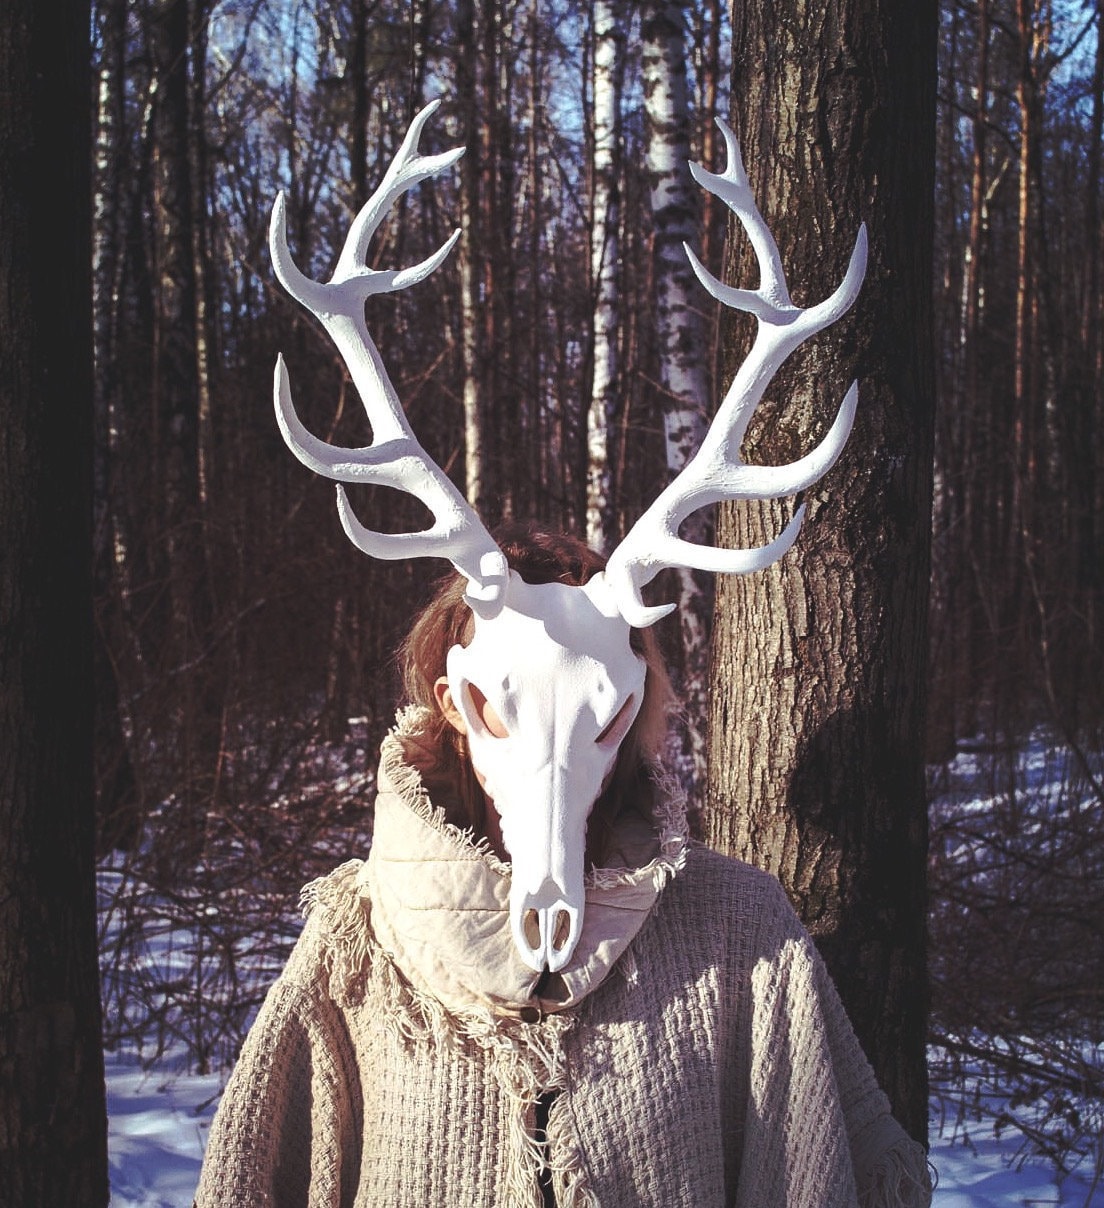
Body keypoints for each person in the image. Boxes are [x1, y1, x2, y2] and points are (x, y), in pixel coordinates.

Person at [194, 528, 930, 1208]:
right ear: (455, 703)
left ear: (629, 707)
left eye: (594, 716)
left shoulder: (739, 928)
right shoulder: (355, 945)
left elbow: (811, 1166)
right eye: (503, 710)